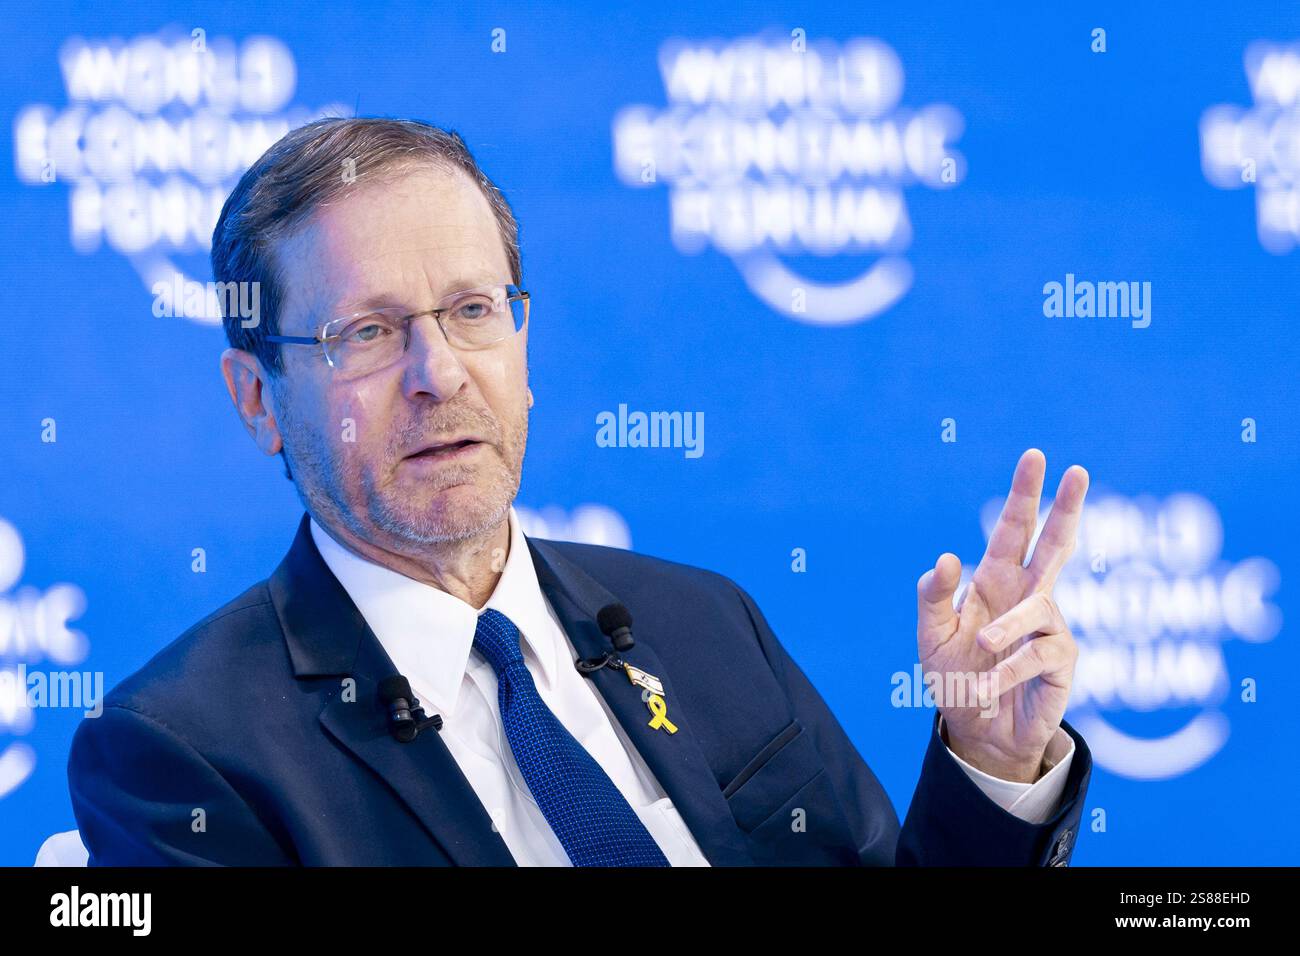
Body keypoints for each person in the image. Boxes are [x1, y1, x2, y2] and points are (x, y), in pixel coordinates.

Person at [67, 118, 1091, 866]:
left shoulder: (702, 621)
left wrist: (989, 760)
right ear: (257, 397)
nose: (440, 372)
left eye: (472, 309)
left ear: (521, 337)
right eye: (367, 333)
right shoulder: (178, 753)